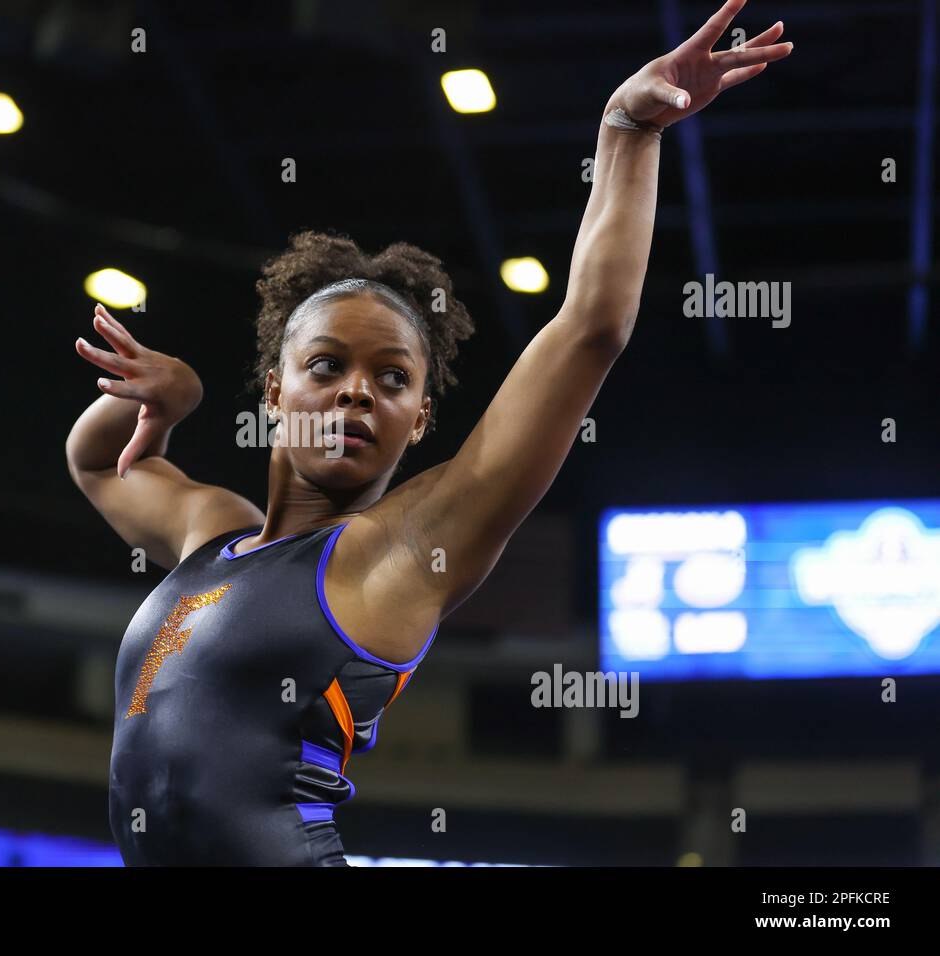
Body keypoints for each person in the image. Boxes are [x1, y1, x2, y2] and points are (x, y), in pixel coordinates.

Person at [65, 0, 793, 865]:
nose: (358, 394)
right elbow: (98, 466)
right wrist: (167, 398)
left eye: (393, 379)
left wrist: (626, 131)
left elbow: (590, 328)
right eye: (327, 366)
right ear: (273, 392)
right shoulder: (206, 534)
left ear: (421, 421)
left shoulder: (404, 546)